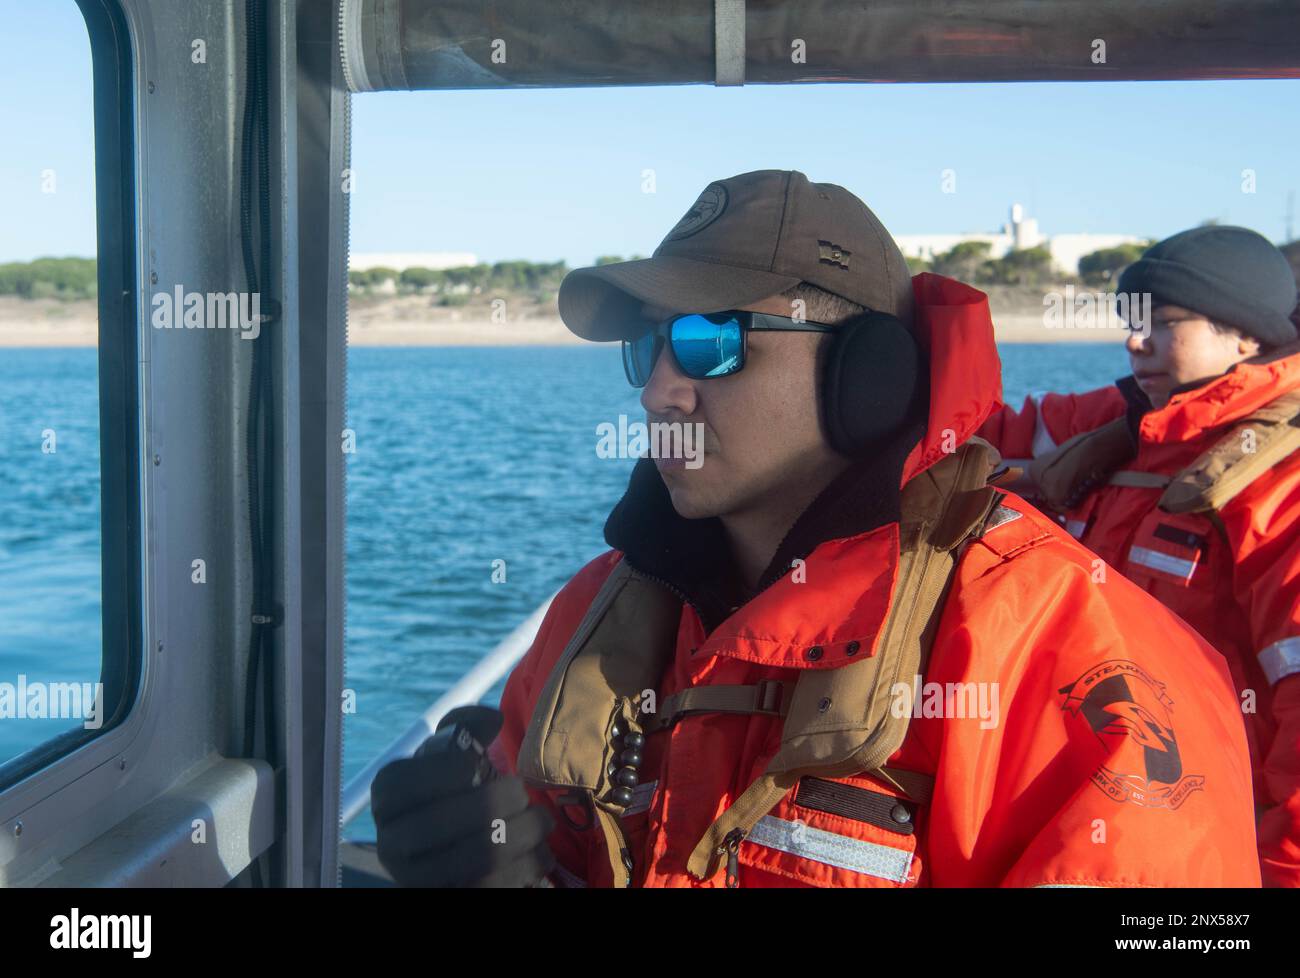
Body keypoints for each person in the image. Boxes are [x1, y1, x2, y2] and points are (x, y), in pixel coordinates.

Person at [372, 171, 1259, 887]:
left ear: (866, 375)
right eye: (647, 349)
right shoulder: (594, 619)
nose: (658, 391)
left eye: (711, 340)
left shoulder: (1072, 660)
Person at [978, 225, 1300, 887]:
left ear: (1247, 337)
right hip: (1093, 830)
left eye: (1165, 322)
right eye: (1133, 318)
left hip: (1209, 855)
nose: (1133, 341)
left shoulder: (1279, 484)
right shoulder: (1125, 426)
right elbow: (965, 436)